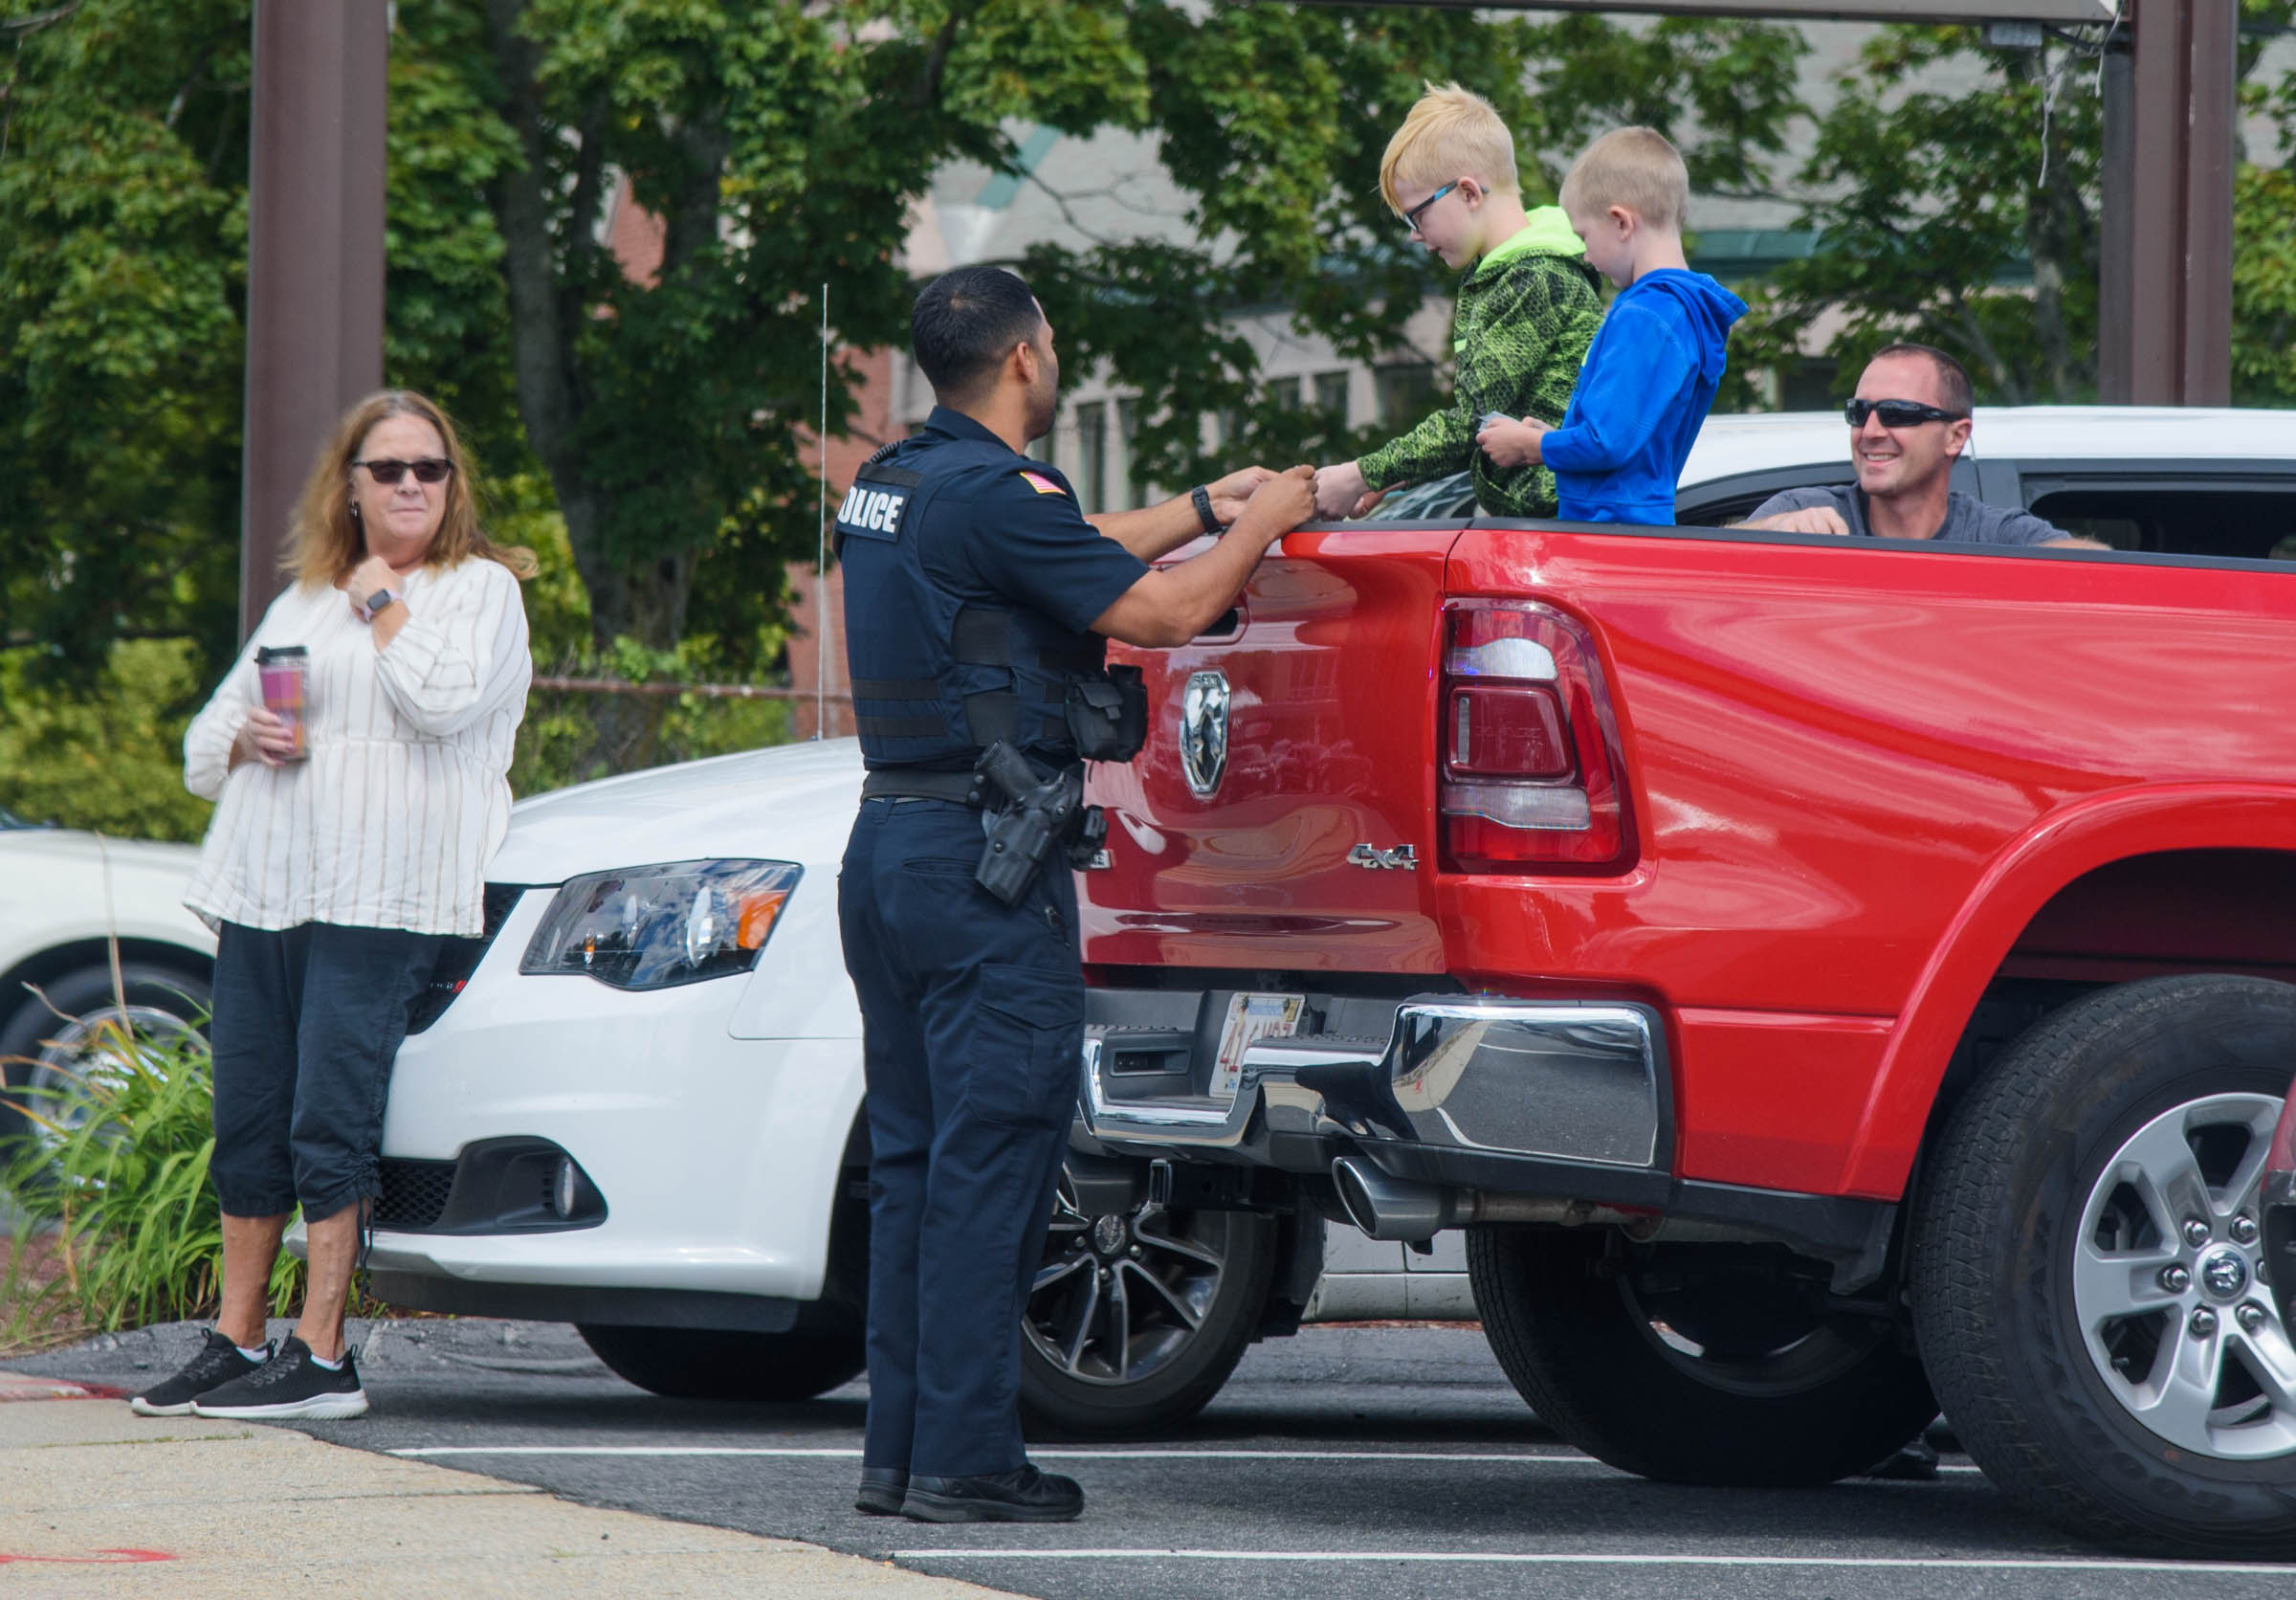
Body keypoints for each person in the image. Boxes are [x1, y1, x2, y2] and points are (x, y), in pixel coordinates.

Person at [837, 265, 1314, 1524]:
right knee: (995, 1165)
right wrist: (1265, 524)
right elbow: (1164, 610)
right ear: (1023, 363)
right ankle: (970, 1462)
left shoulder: (895, 484)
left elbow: (1071, 550)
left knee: (916, 1165)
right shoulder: (1002, 495)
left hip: (889, 852)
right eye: (1050, 343)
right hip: (987, 871)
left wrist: (1208, 501)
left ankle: (900, 1454)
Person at [131, 390, 535, 1422]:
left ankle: (323, 1353)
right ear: (348, 485)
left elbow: (444, 702)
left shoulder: (478, 590)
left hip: (389, 889)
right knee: (251, 1113)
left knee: (329, 1113)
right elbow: (197, 752)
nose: (409, 485)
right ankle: (236, 1335)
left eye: (428, 469)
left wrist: (378, 600)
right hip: (271, 885)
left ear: (453, 487)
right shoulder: (302, 600)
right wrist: (242, 742)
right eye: (388, 468)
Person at [1313, 83, 1603, 522]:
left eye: (1417, 215)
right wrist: (1396, 476)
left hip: (1560, 523)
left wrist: (1360, 475)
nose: (1414, 234)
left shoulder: (1532, 279)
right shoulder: (1511, 274)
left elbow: (1476, 422)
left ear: (1469, 192)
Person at [1476, 126, 1745, 525]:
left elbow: (1608, 444)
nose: (1584, 254)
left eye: (1583, 235)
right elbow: (1628, 441)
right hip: (1629, 526)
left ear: (1620, 222)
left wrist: (1532, 446)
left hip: (1608, 532)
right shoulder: (1677, 311)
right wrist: (1557, 437)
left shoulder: (1647, 315)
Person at [1736, 344, 2098, 546]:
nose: (1871, 430)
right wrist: (1771, 531)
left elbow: (2100, 566)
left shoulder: (1991, 535)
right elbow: (1704, 559)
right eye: (1859, 412)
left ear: (1956, 436)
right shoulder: (1805, 511)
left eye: (1898, 413)